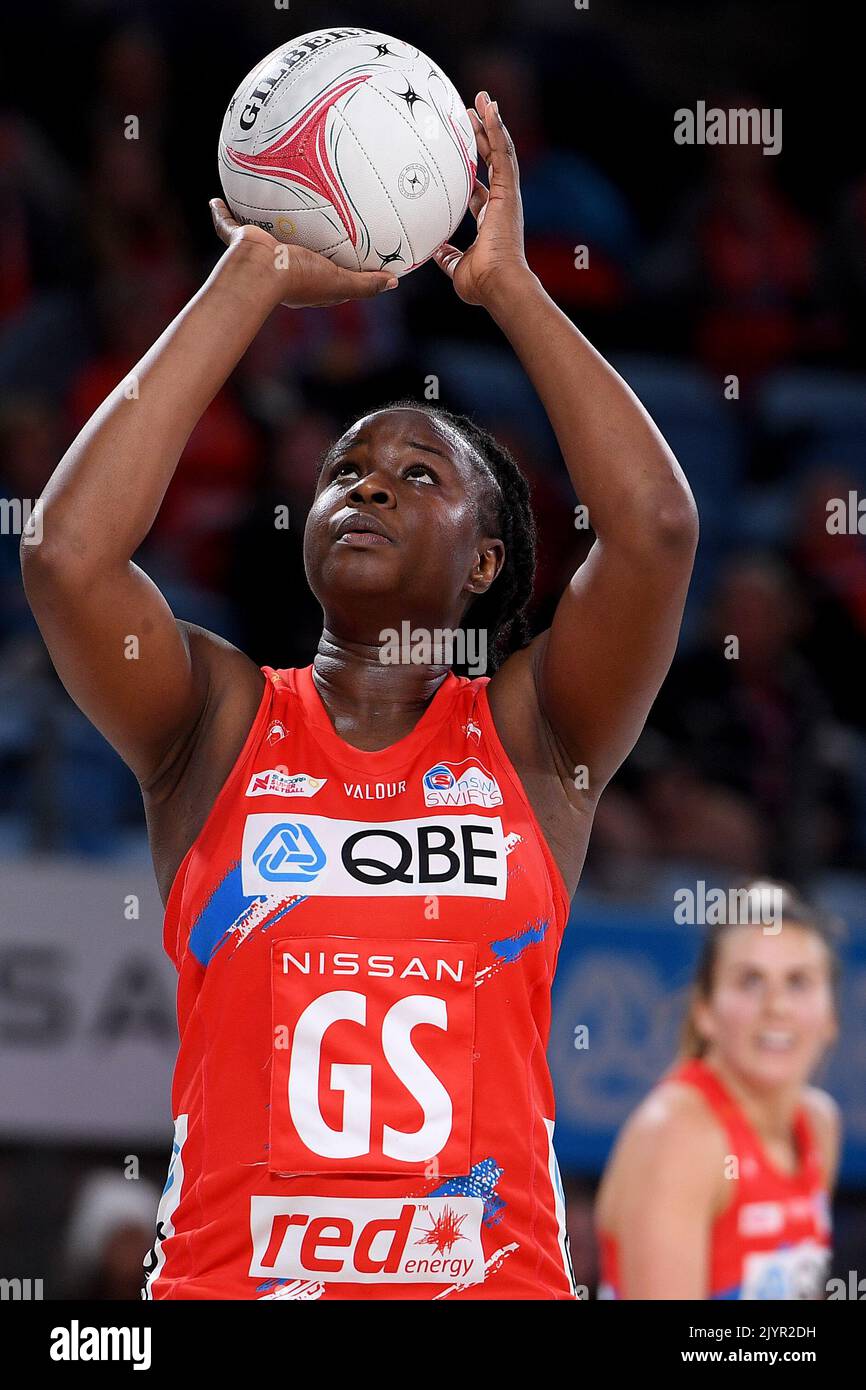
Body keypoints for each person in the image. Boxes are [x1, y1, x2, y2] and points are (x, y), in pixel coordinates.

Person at [20, 92, 697, 1300]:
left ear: (487, 560)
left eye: (416, 472)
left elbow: (651, 530)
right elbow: (67, 554)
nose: (366, 486)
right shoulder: (216, 722)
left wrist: (512, 294)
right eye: (344, 470)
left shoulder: (535, 738)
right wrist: (252, 277)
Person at [595, 882, 841, 1299]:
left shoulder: (818, 1123)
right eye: (750, 981)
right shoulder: (677, 1136)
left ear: (830, 1015)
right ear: (705, 1012)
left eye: (798, 982)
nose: (776, 1006)